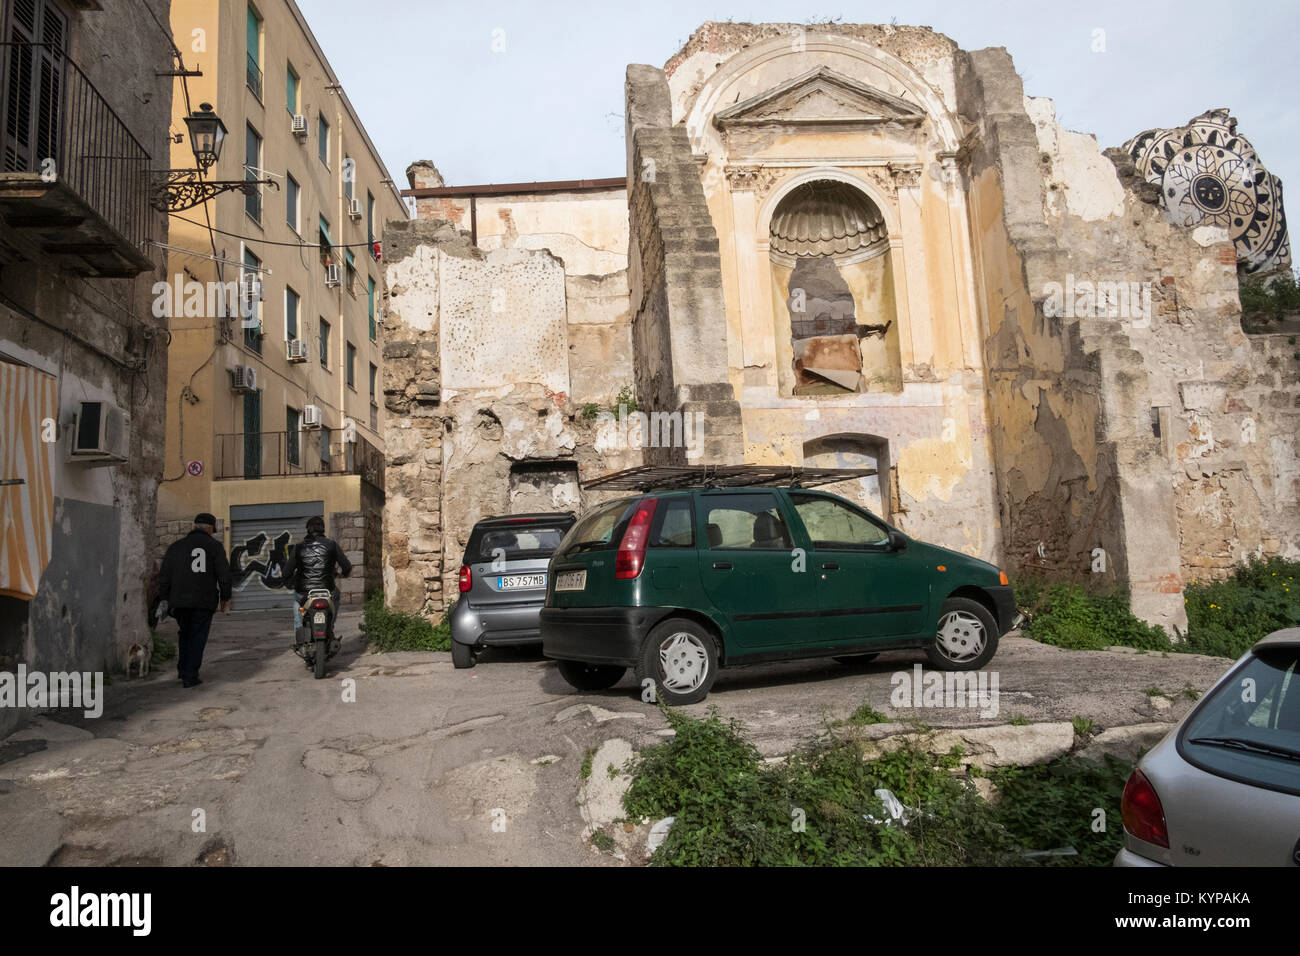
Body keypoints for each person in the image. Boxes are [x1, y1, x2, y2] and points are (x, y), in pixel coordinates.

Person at [158, 513, 232, 687]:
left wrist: (164, 599)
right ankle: (190, 675)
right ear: (210, 528)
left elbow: (164, 576)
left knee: (184, 633)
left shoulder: (176, 547)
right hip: (203, 600)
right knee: (197, 636)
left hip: (179, 601)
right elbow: (224, 575)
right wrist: (225, 598)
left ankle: (182, 669)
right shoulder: (214, 546)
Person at [284, 516, 351, 637]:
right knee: (336, 595)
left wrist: (291, 584)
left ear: (308, 530)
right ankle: (330, 625)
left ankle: (300, 629)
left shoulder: (298, 547)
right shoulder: (331, 545)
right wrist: (344, 574)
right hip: (327, 589)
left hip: (304, 591)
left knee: (297, 603)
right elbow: (346, 566)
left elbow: (286, 572)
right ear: (323, 529)